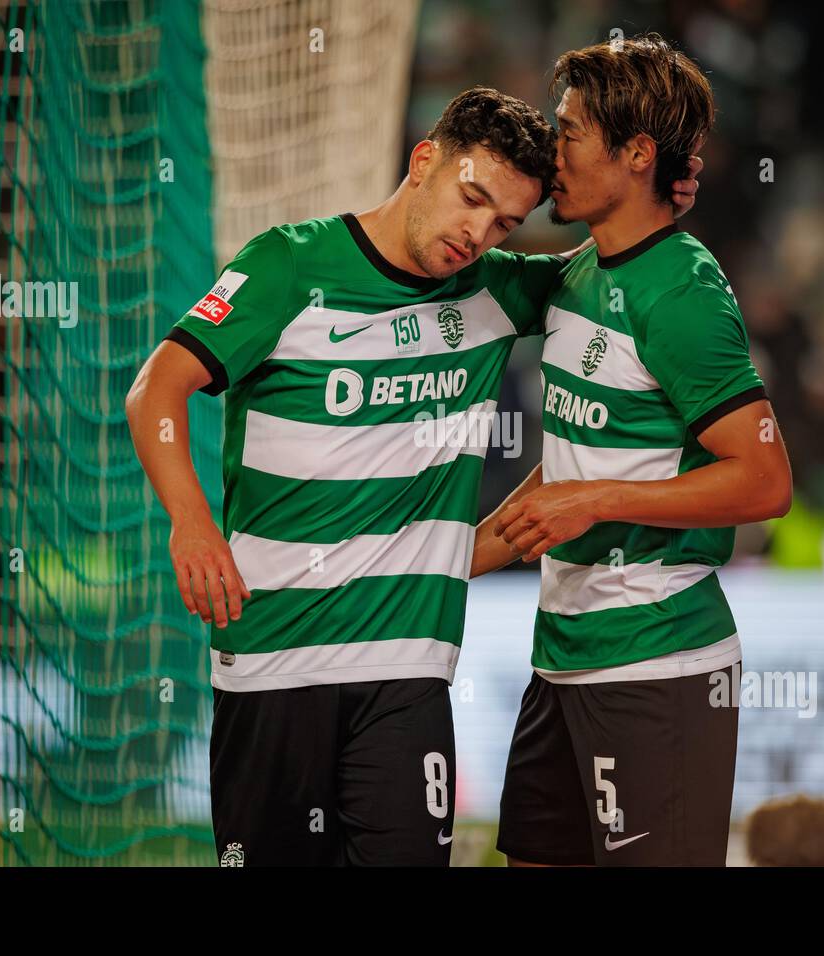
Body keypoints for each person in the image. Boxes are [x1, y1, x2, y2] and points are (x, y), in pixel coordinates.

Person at [125, 85, 699, 866]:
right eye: (472, 198)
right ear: (423, 159)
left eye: (503, 222)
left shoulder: (492, 290)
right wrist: (189, 522)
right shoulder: (290, 264)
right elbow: (156, 388)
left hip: (407, 669)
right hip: (269, 662)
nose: (478, 232)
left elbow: (612, 268)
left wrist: (651, 196)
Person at [472, 35, 792, 867]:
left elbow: (764, 482)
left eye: (570, 130)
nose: (553, 146)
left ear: (637, 154)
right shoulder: (581, 271)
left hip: (659, 665)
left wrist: (598, 502)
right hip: (561, 659)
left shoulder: (681, 295)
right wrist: (442, 558)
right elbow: (583, 463)